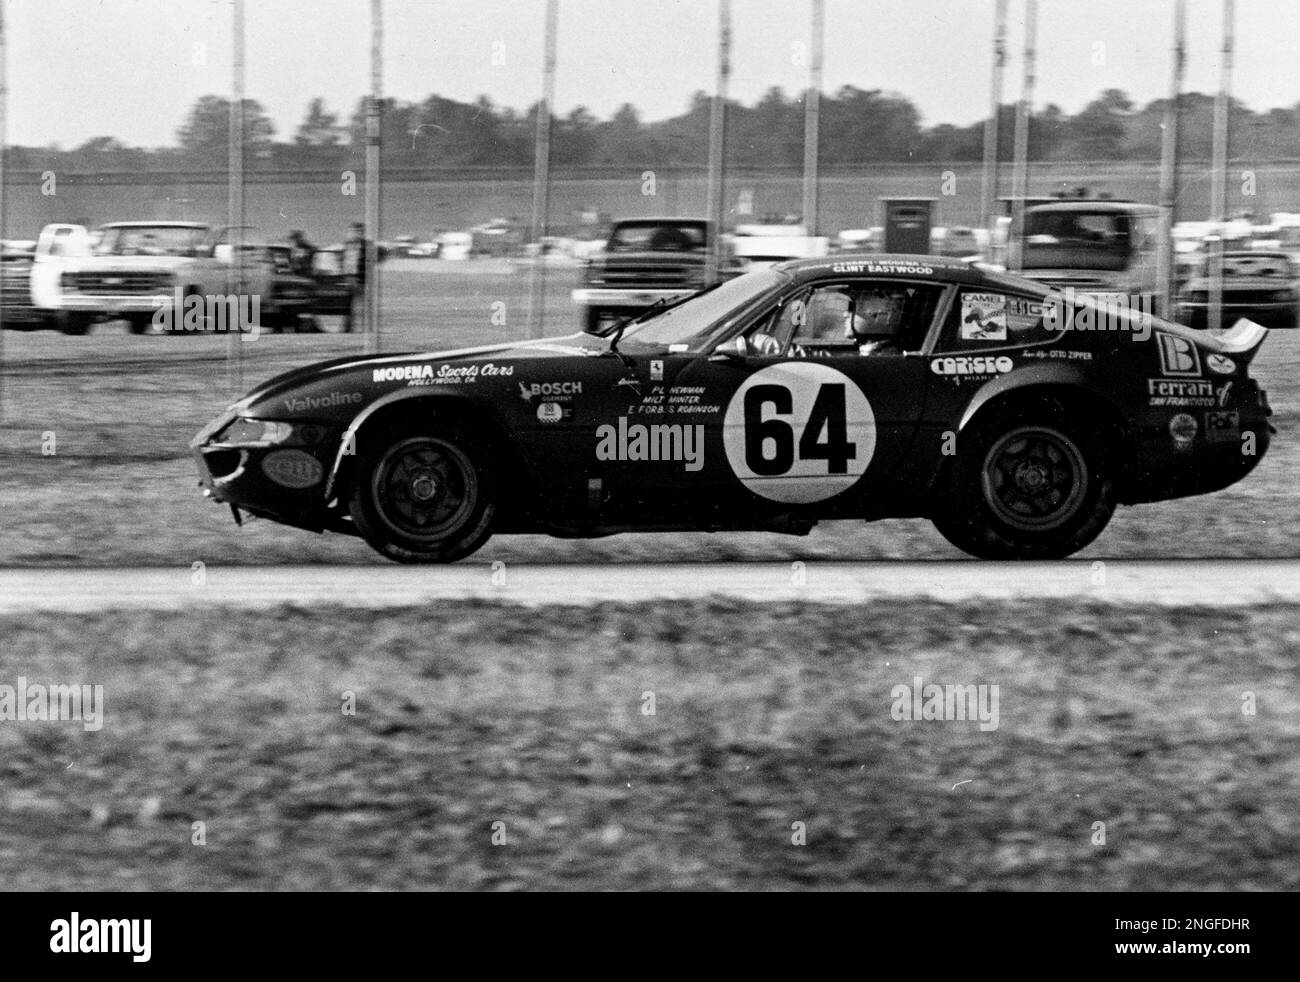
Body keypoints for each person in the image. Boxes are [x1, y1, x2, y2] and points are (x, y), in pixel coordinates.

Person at [342, 222, 370, 333]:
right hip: (349, 278)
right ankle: (348, 328)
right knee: (347, 306)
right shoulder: (347, 245)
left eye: (358, 231)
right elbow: (344, 261)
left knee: (362, 306)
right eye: (353, 231)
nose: (355, 233)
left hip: (361, 279)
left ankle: (364, 329)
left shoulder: (365, 245)